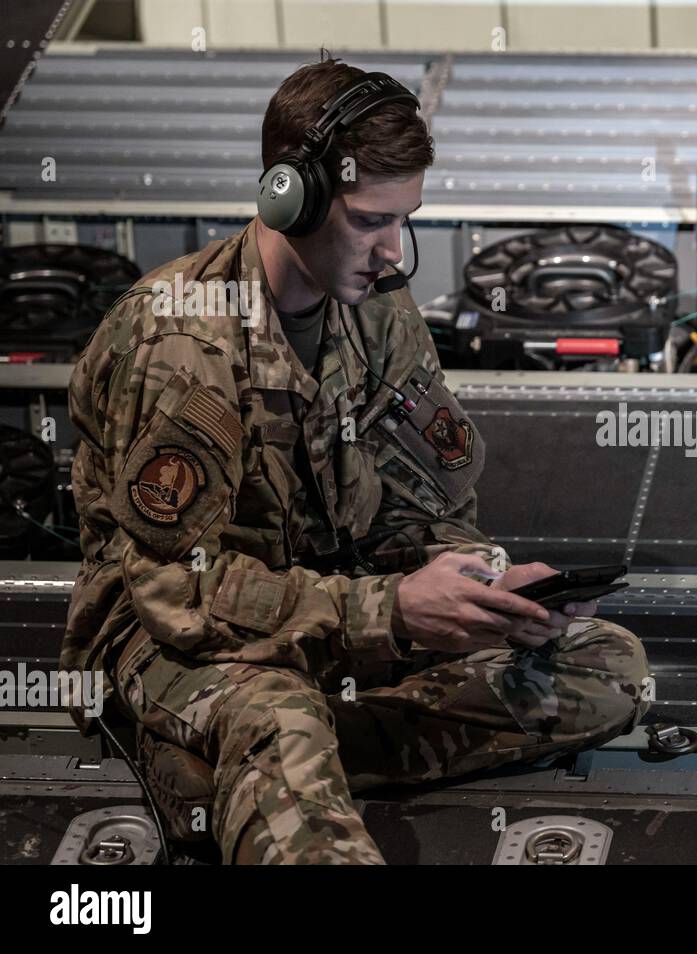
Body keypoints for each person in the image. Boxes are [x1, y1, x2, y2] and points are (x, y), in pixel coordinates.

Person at [62, 56, 651, 864]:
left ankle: (263, 768)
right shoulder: (181, 340)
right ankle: (269, 746)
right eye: (373, 220)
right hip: (182, 646)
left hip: (341, 630)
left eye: (405, 217)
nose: (394, 251)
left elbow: (426, 507)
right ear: (289, 198)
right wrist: (392, 614)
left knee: (606, 665)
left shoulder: (378, 310)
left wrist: (481, 586)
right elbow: (177, 595)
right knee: (275, 709)